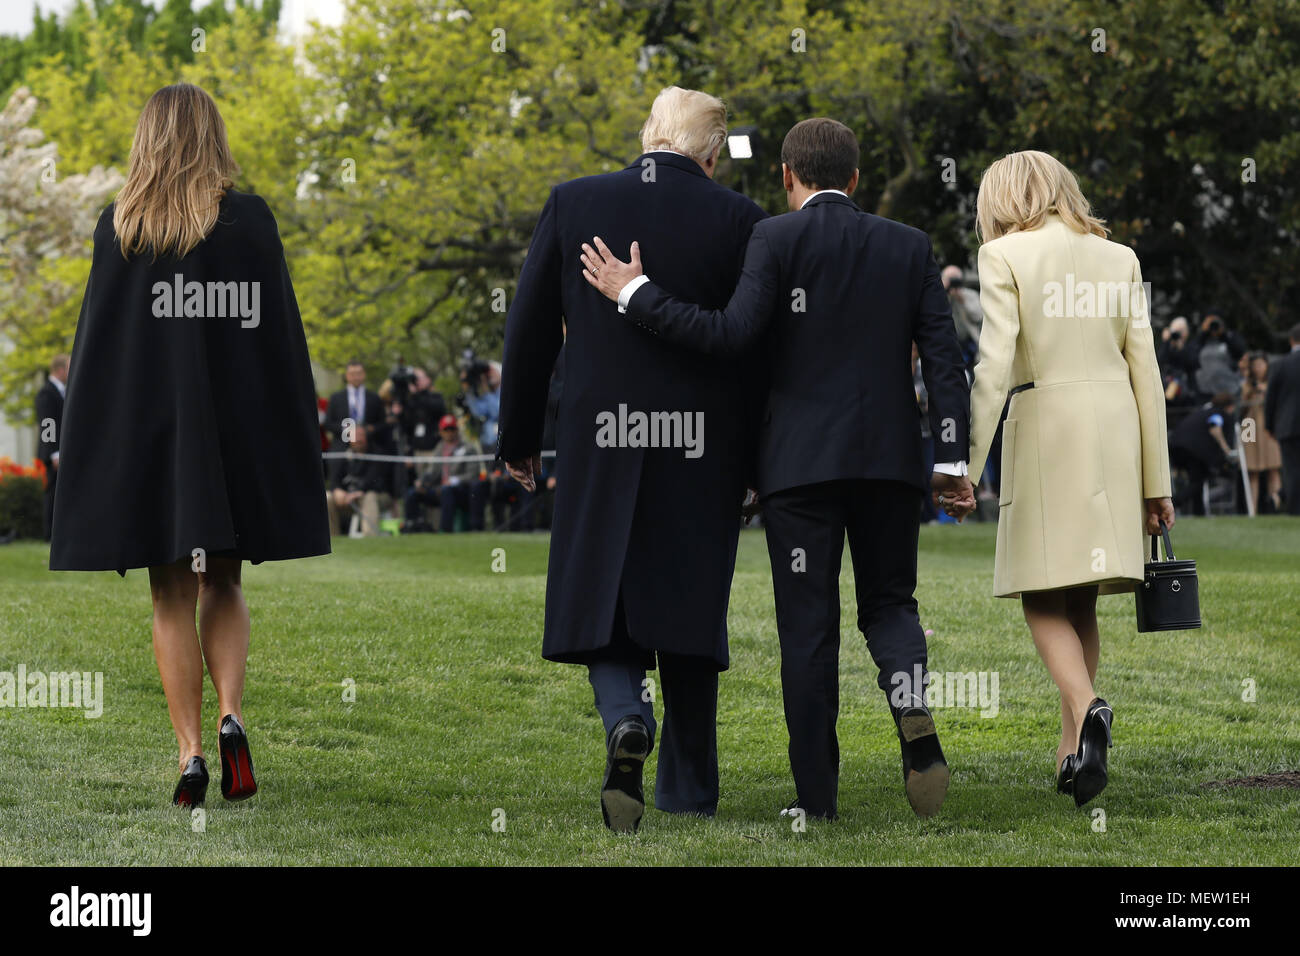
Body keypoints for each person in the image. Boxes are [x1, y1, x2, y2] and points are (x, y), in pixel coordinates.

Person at [581, 117, 971, 820]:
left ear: (787, 177)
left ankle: (816, 801)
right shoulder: (908, 246)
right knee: (891, 605)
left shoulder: (773, 237)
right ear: (855, 180)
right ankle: (911, 706)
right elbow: (945, 363)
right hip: (888, 462)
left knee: (808, 632)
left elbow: (730, 337)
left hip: (799, 469)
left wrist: (634, 294)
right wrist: (949, 461)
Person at [48, 84, 330, 807]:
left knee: (169, 593)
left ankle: (190, 755)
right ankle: (232, 716)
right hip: (230, 441)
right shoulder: (250, 222)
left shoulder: (119, 228)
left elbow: (101, 357)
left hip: (153, 446)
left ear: (147, 139)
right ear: (212, 136)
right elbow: (278, 347)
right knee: (224, 581)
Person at [497, 86, 768, 832]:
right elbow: (753, 352)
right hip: (702, 440)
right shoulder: (743, 220)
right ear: (711, 154)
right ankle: (689, 788)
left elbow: (528, 329)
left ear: (648, 133)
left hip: (601, 432)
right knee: (690, 599)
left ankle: (623, 716)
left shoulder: (574, 201)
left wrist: (519, 435)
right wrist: (755, 460)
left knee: (601, 593)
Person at [963, 150, 1173, 808]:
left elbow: (993, 367)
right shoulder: (1120, 257)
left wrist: (965, 466)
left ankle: (1087, 709)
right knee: (1079, 592)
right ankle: (1071, 751)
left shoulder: (1003, 257)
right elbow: (1149, 377)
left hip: (1046, 421)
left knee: (1038, 591)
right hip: (1116, 431)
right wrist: (1156, 482)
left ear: (1001, 197)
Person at [1168, 394, 1237, 515]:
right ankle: (1174, 503)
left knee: (1197, 480)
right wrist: (1226, 450)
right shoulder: (1218, 413)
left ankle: (1198, 512)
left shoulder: (1204, 411)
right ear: (1229, 406)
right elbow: (1215, 427)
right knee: (1197, 482)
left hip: (1177, 445)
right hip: (1192, 449)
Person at [326, 428, 394, 535]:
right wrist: (337, 490)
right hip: (347, 499)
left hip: (375, 496)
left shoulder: (376, 453)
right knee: (328, 497)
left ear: (366, 437)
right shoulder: (343, 454)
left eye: (361, 435)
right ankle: (332, 536)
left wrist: (357, 491)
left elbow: (372, 480)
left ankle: (370, 537)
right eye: (355, 436)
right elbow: (334, 479)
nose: (358, 439)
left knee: (369, 496)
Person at [1240, 352, 1283, 513]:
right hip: (1249, 427)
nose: (1258, 368)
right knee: (1253, 471)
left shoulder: (1273, 383)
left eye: (1261, 364)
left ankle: (1276, 504)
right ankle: (1253, 510)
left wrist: (1265, 391)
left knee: (1274, 468)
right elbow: (1241, 409)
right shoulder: (1246, 384)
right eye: (1255, 365)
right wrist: (1250, 392)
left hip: (1269, 427)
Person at [1264, 323, 1300, 515]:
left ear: (1291, 340)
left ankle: (1295, 510)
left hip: (1288, 425)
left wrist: (1269, 425)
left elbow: (1271, 398)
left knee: (1292, 469)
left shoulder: (1281, 364)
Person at [34, 353, 68, 541]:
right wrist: (55, 453)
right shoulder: (47, 393)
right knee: (52, 493)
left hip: (59, 452)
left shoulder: (61, 391)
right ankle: (50, 534)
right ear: (60, 369)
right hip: (53, 453)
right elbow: (48, 424)